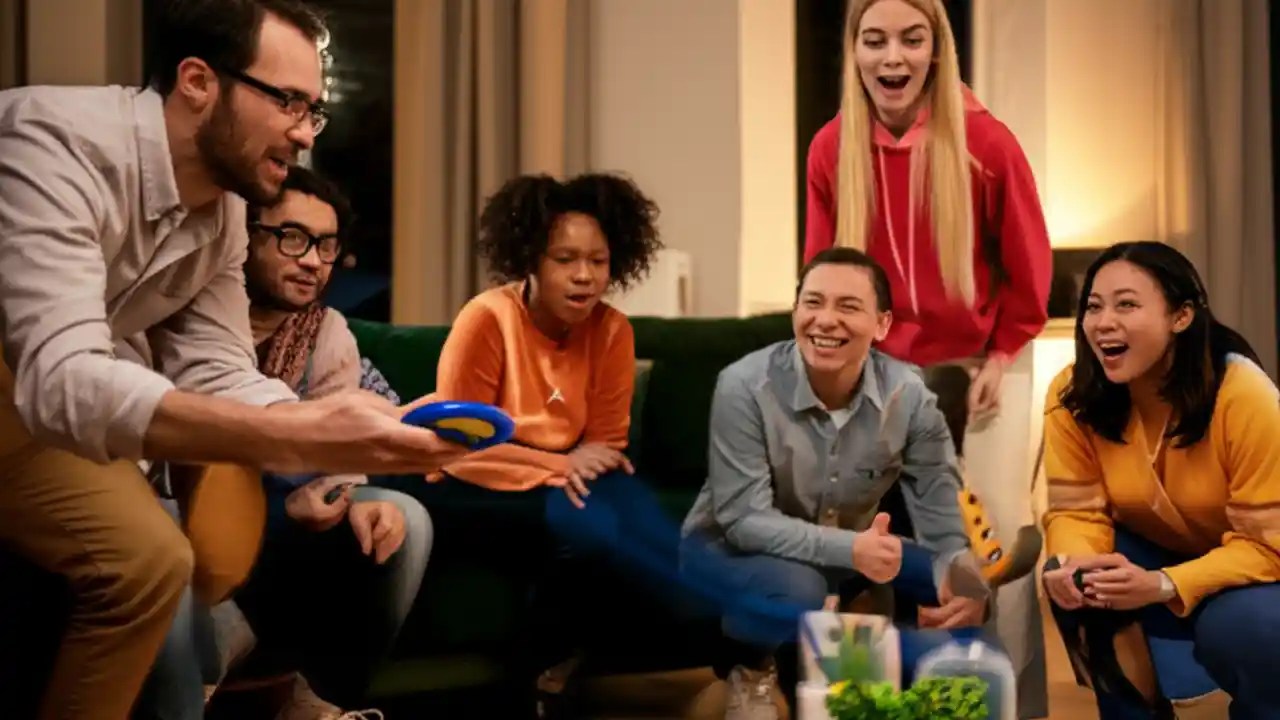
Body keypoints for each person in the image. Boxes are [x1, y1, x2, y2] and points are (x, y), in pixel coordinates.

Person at [0, 2, 463, 718]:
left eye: (314, 111)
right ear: (197, 82)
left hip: (45, 393)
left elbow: (215, 366)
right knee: (147, 557)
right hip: (21, 379)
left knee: (179, 557)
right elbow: (61, 379)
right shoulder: (53, 142)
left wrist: (343, 428)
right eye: (287, 102)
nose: (305, 133)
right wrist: (302, 433)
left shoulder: (223, 212)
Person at [802, 0, 1052, 712]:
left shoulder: (987, 143)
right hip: (877, 374)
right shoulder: (831, 148)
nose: (893, 58)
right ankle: (859, 701)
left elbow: (1028, 267)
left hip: (981, 367)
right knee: (861, 541)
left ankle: (1002, 700)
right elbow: (825, 275)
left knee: (987, 548)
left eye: (912, 39)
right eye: (875, 40)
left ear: (936, 48)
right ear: (853, 51)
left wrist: (1002, 355)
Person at [681, 247, 990, 719]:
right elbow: (743, 520)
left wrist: (958, 573)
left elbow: (938, 502)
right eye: (813, 302)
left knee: (961, 583)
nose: (825, 320)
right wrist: (852, 550)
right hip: (726, 548)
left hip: (844, 549)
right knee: (799, 585)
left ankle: (935, 691)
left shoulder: (909, 397)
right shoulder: (743, 385)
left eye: (848, 306)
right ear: (795, 311)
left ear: (882, 324)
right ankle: (750, 670)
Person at [399, 172, 664, 717]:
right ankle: (528, 687)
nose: (584, 276)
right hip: (462, 480)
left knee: (625, 524)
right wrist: (559, 465)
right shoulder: (487, 318)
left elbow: (606, 444)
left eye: (598, 261)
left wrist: (571, 467)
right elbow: (459, 445)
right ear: (530, 261)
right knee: (582, 529)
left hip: (546, 478)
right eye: (565, 259)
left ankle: (546, 676)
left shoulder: (613, 331)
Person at [211, 166, 428, 719]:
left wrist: (346, 495)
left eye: (326, 245)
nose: (312, 260)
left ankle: (330, 704)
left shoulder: (327, 333)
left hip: (296, 505)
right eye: (292, 237)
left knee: (399, 519)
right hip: (203, 500)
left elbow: (340, 457)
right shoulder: (201, 319)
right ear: (244, 235)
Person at [1041, 241, 1280, 719]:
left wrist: (1165, 583)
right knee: (1085, 583)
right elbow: (1075, 512)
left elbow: (1269, 544)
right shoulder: (1073, 394)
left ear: (1181, 316)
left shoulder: (1243, 393)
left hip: (1259, 570)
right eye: (1094, 306)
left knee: (1244, 624)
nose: (1103, 322)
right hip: (1159, 552)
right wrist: (1071, 564)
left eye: (1127, 304)